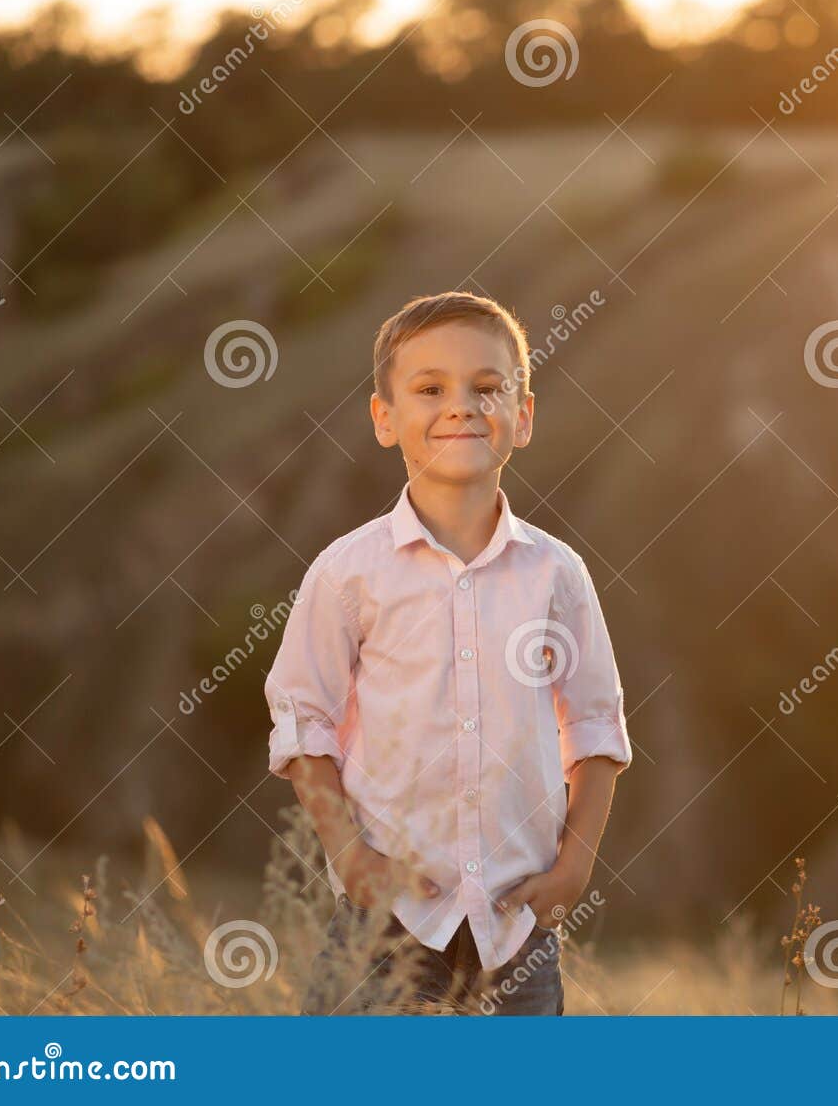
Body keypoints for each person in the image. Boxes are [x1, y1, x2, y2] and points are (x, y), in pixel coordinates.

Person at [265, 291, 631, 1015]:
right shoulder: (349, 571)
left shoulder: (558, 574)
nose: (461, 406)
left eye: (488, 388)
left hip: (516, 935)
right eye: (429, 388)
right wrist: (348, 854)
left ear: (522, 417)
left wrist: (575, 866)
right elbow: (302, 721)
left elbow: (595, 727)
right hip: (385, 930)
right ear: (384, 417)